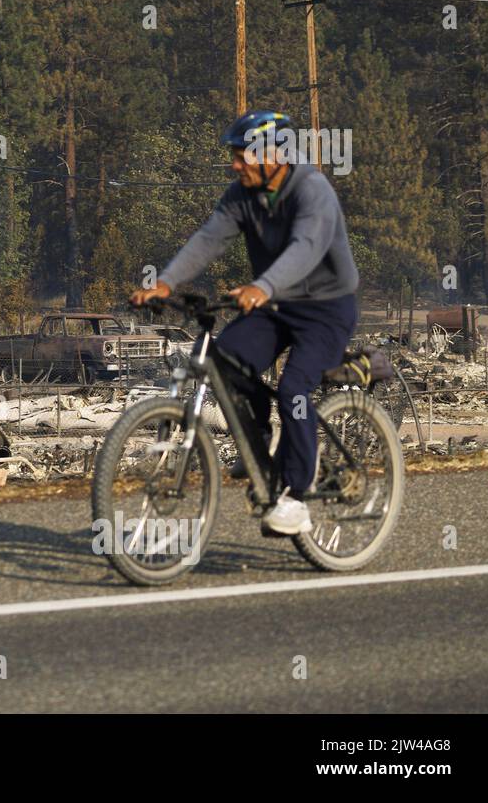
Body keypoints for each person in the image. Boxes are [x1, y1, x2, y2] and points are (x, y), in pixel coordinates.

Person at [129, 110, 360, 536]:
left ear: (276, 155)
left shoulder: (312, 191)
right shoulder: (242, 195)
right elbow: (209, 239)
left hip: (326, 309)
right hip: (276, 304)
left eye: (242, 156)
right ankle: (259, 443)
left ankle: (297, 494)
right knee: (226, 361)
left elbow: (306, 247)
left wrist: (263, 286)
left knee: (293, 389)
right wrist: (165, 282)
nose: (235, 165)